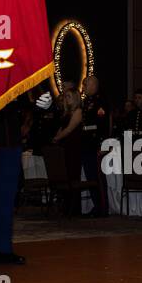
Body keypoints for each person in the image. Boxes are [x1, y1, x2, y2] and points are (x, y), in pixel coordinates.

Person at [0, 84, 52, 266]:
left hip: (11, 138)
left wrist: (39, 104)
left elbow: (22, 102)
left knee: (6, 196)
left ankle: (3, 247)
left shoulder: (14, 66)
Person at [79, 75, 109, 217]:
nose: (83, 87)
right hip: (85, 143)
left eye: (86, 84)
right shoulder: (85, 102)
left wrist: (102, 144)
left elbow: (103, 125)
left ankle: (102, 208)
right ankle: (96, 206)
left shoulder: (100, 102)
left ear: (94, 85)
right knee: (91, 177)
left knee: (97, 178)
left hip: (95, 143)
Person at [52, 87, 85, 215]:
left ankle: (75, 209)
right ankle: (66, 207)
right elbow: (62, 128)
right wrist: (55, 138)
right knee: (65, 177)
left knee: (73, 176)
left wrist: (57, 138)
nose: (66, 99)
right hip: (64, 147)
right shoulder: (66, 112)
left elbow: (70, 129)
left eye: (69, 96)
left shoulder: (78, 111)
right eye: (65, 96)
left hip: (74, 147)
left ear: (75, 97)